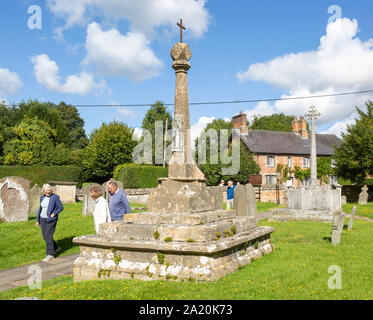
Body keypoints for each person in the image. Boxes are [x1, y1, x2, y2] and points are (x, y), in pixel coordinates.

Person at [36, 184, 64, 262]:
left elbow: (61, 207)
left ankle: (50, 254)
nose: (48, 192)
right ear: (44, 191)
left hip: (51, 219)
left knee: (48, 235)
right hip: (42, 219)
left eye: (49, 191)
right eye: (46, 191)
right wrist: (37, 220)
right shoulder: (42, 197)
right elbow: (40, 209)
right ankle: (56, 247)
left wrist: (54, 213)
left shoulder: (55, 197)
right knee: (45, 236)